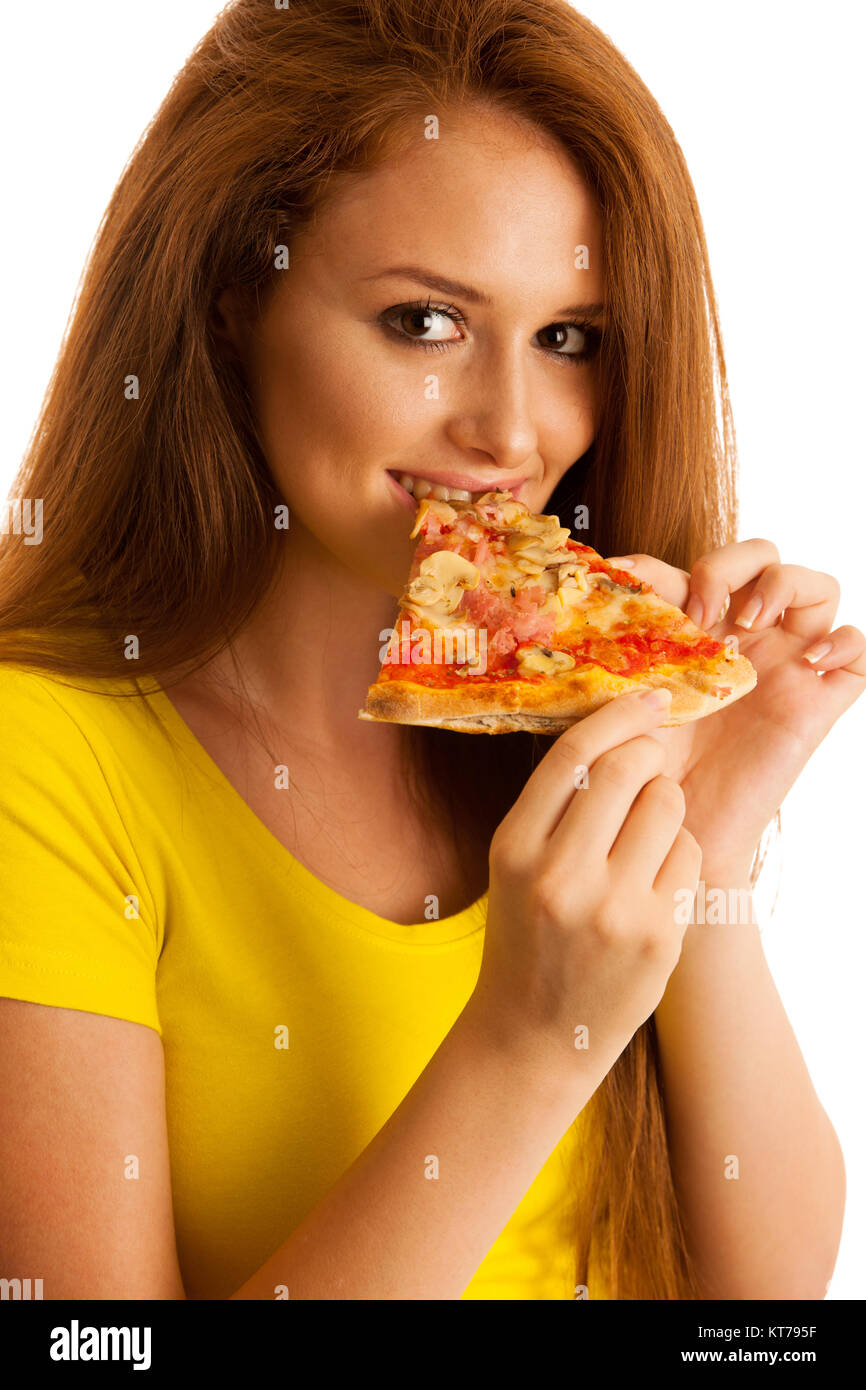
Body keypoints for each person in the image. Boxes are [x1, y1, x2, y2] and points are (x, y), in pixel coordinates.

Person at [0, 0, 859, 1301]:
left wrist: (704, 843)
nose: (512, 431)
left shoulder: (566, 697)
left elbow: (765, 1298)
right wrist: (526, 1039)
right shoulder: (38, 755)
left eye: (569, 338)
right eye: (424, 324)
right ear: (234, 297)